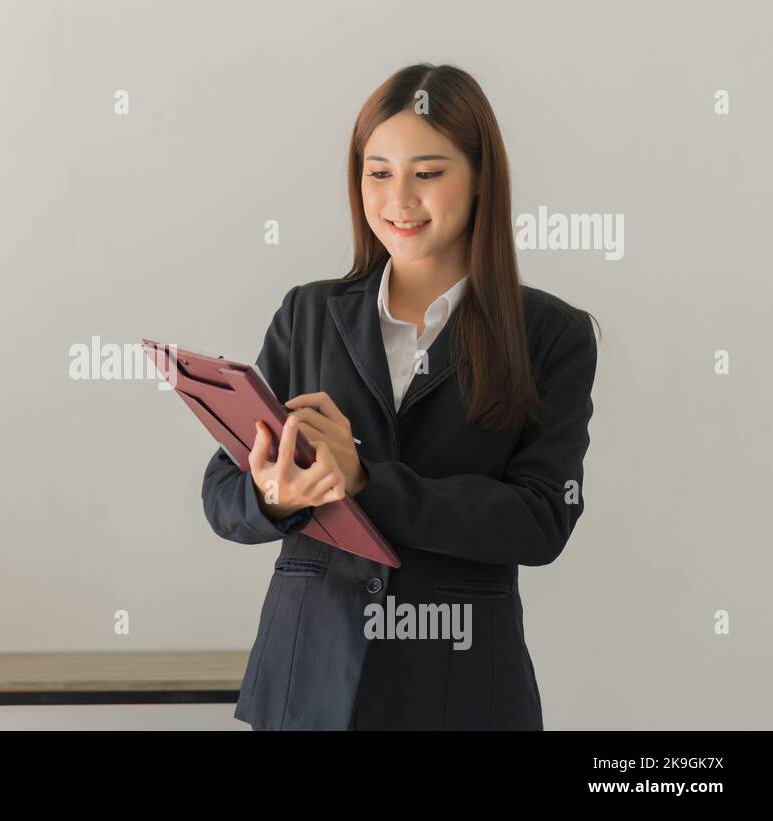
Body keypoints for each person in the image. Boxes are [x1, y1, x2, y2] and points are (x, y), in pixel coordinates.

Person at [202, 63, 599, 730]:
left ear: (480, 178)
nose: (399, 197)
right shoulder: (308, 314)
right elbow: (221, 495)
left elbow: (539, 520)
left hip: (459, 689)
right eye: (378, 171)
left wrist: (365, 480)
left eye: (429, 172)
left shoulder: (549, 335)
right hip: (309, 688)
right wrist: (274, 495)